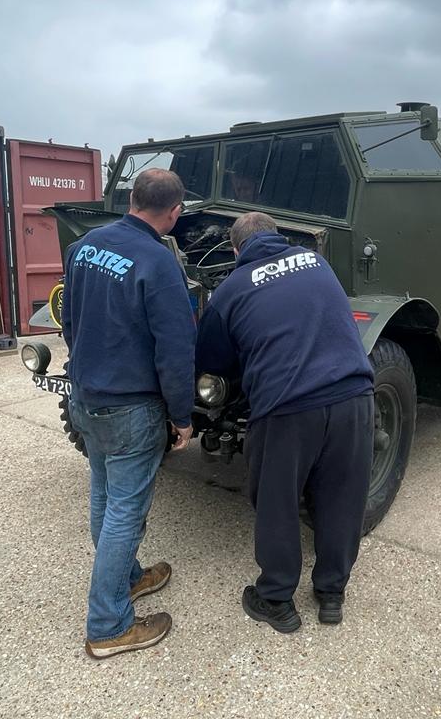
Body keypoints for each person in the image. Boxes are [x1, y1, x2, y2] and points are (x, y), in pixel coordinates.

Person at [196, 212, 374, 632]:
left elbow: (212, 364)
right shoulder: (318, 263)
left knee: (277, 503)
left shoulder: (231, 288)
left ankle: (276, 600)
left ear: (236, 250)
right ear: (277, 238)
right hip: (354, 397)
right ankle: (332, 594)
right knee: (341, 499)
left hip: (288, 407)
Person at [62, 168, 196, 659]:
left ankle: (130, 578)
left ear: (132, 197)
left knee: (103, 495)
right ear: (175, 212)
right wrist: (182, 416)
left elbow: (70, 319)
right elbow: (176, 348)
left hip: (87, 398)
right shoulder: (158, 262)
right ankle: (108, 625)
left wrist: (86, 373)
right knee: (124, 512)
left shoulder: (85, 246)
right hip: (130, 409)